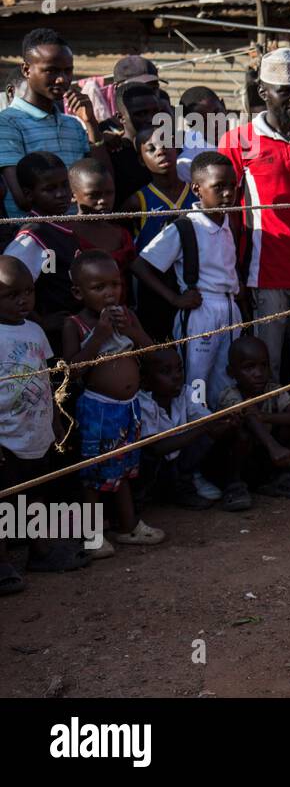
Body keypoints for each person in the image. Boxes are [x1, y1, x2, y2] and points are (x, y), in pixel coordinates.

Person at [218, 48, 290, 391]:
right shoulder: (237, 141)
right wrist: (234, 272)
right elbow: (226, 214)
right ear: (264, 92)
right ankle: (270, 436)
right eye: (285, 91)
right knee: (267, 363)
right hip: (262, 272)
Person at [63, 249, 160, 552]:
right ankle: (92, 535)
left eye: (115, 285)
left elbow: (152, 353)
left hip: (128, 408)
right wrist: (99, 335)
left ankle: (128, 526)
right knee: (94, 473)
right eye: (98, 287)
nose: (109, 294)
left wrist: (129, 330)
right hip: (98, 409)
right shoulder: (75, 324)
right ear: (79, 292)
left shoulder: (127, 316)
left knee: (124, 468)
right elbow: (72, 372)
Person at [0, 255, 85, 586]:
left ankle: (41, 550)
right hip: (5, 435)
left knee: (37, 493)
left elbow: (46, 378)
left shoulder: (35, 331)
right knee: (5, 499)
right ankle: (3, 562)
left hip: (36, 429)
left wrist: (55, 421)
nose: (23, 301)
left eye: (28, 292)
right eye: (11, 295)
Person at [134, 152, 243, 405]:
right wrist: (175, 298)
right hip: (200, 310)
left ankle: (219, 431)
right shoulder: (184, 226)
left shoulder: (229, 221)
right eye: (219, 187)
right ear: (197, 189)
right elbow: (141, 265)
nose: (228, 193)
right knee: (195, 380)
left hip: (229, 308)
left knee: (226, 377)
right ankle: (193, 434)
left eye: (231, 186)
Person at [0, 29, 95, 220]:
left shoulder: (74, 125)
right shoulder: (7, 124)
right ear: (26, 70)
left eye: (68, 71)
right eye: (51, 70)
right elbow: (22, 199)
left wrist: (91, 122)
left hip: (73, 232)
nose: (62, 79)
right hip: (30, 237)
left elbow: (97, 180)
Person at [215, 333, 290, 502]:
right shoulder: (229, 395)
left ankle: (279, 477)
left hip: (265, 459)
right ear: (231, 372)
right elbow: (248, 415)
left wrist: (265, 416)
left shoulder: (272, 390)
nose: (259, 373)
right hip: (239, 461)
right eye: (249, 367)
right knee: (242, 432)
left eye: (264, 366)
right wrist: (273, 447)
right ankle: (234, 486)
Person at [126, 116, 197, 340]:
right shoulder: (138, 201)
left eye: (166, 144)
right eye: (151, 149)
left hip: (192, 286)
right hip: (154, 289)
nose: (160, 151)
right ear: (141, 159)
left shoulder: (197, 192)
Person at [138, 346, 229, 509]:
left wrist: (227, 420)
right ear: (145, 380)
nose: (177, 376)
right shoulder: (143, 403)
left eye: (179, 369)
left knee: (211, 434)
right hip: (152, 469)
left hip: (177, 462)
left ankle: (187, 481)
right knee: (149, 455)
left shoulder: (186, 393)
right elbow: (156, 448)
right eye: (166, 372)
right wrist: (205, 428)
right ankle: (166, 491)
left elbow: (208, 420)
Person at [3, 153, 78, 337]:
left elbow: (51, 268)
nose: (61, 194)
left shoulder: (61, 225)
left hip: (72, 325)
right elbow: (7, 283)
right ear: (29, 194)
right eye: (50, 189)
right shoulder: (34, 235)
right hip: (52, 333)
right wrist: (42, 322)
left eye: (64, 185)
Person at [67, 158, 135, 294]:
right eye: (94, 195)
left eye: (109, 193)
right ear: (73, 195)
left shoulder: (121, 234)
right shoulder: (66, 232)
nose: (103, 201)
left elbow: (136, 273)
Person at [177, 86, 229, 180]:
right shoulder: (189, 162)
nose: (214, 123)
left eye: (216, 113)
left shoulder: (247, 139)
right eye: (203, 121)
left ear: (223, 105)